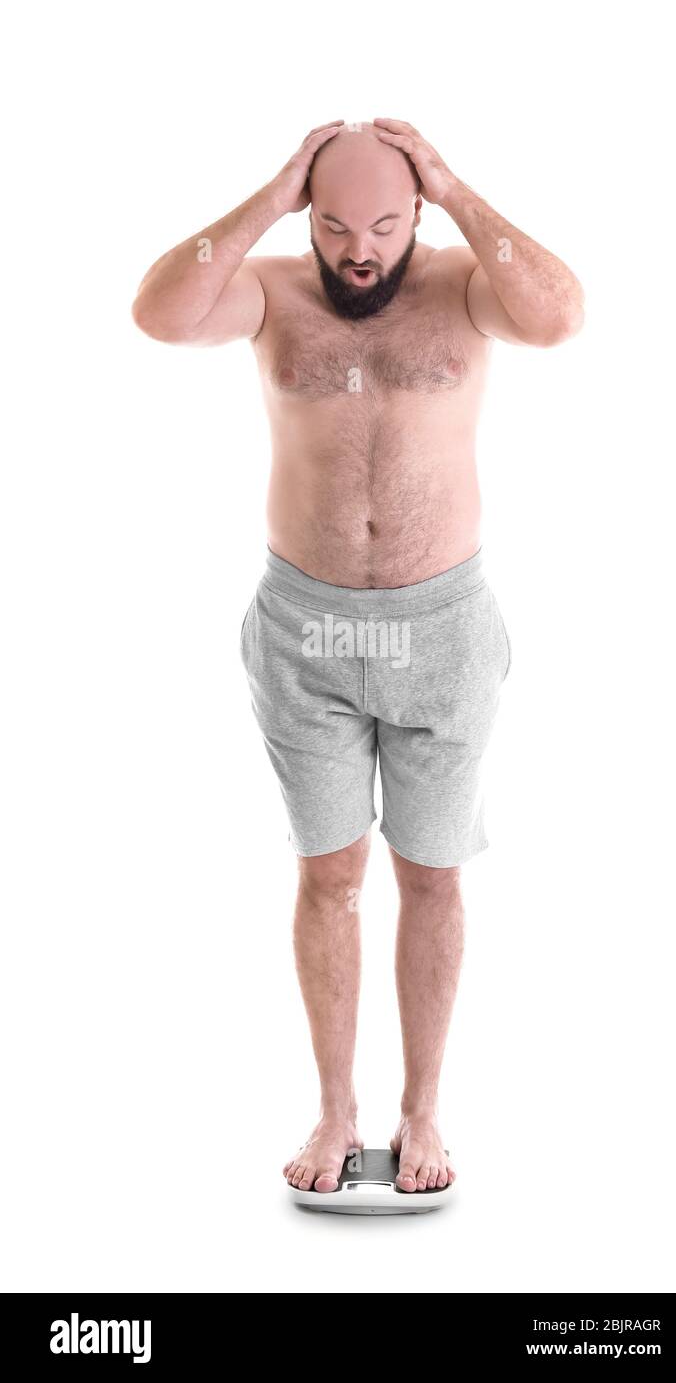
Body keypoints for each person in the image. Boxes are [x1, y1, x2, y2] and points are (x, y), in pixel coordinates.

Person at [132, 118, 584, 1195]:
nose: (359, 249)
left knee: (432, 877)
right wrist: (273, 191)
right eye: (335, 225)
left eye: (384, 222)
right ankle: (334, 1111)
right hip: (306, 631)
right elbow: (157, 313)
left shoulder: (470, 286)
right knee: (328, 878)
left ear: (419, 209)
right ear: (308, 218)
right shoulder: (273, 290)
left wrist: (459, 185)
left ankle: (422, 1112)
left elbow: (562, 317)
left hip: (444, 628)